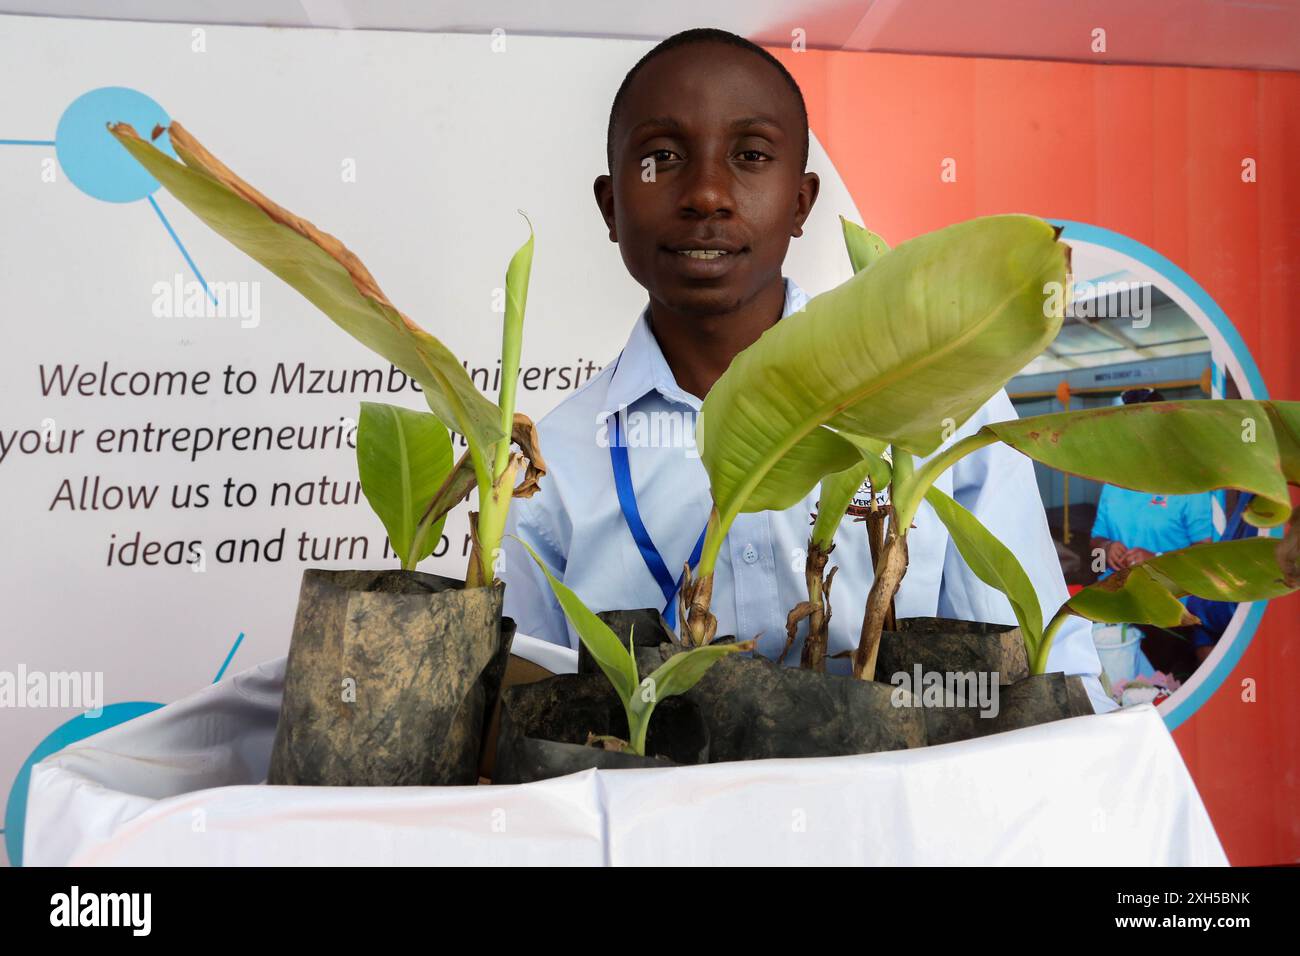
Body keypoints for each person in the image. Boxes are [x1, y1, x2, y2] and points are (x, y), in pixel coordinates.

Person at [500, 28, 1116, 714]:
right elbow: (532, 714)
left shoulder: (940, 398)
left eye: (751, 155)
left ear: (801, 202)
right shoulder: (551, 467)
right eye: (663, 157)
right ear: (611, 206)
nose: (706, 193)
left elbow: (1044, 669)